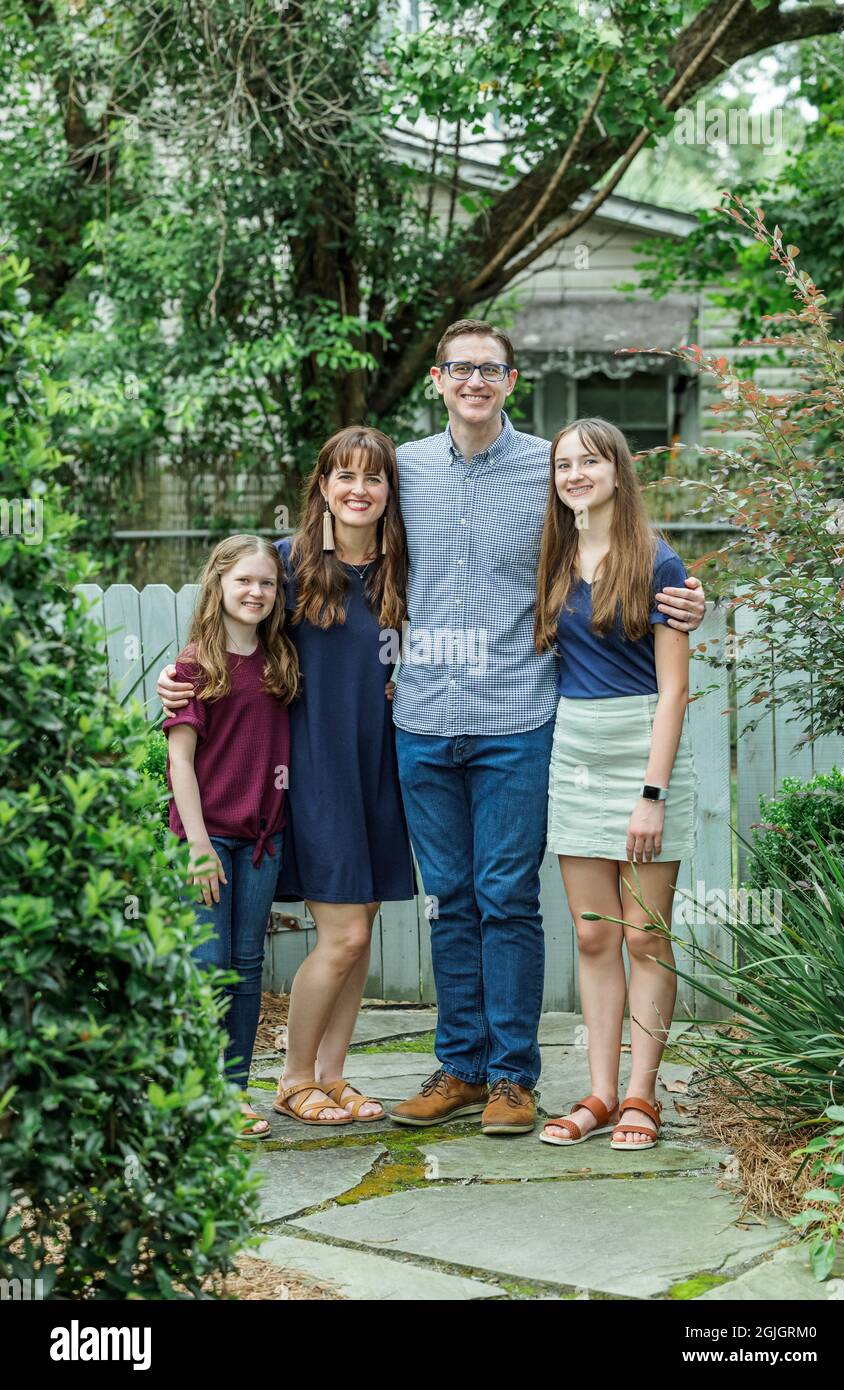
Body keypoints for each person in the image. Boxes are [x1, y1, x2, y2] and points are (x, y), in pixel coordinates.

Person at [389, 320, 707, 1137]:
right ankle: (459, 1066)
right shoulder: (404, 467)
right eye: (458, 368)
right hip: (422, 716)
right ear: (436, 379)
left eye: (488, 369)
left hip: (522, 719)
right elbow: (345, 538)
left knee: (507, 899)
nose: (472, 381)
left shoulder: (547, 467)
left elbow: (632, 551)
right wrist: (243, 597)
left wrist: (686, 599)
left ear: (509, 379)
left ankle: (512, 1079)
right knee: (450, 900)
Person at [159, 427, 416, 1127]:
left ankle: (333, 1075)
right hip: (310, 771)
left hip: (382, 768)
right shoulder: (287, 563)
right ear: (322, 486)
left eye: (374, 478)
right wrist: (175, 677)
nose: (358, 490)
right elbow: (224, 623)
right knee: (344, 936)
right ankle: (292, 1076)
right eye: (344, 476)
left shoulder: (402, 568)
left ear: (390, 491)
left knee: (361, 926)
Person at [536, 418, 696, 1151]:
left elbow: (672, 692)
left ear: (615, 472)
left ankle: (641, 1095)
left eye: (588, 462)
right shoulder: (552, 556)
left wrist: (650, 794)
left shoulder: (658, 562)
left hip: (642, 753)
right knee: (593, 936)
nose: (574, 474)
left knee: (643, 938)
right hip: (574, 750)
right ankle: (599, 1091)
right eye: (563, 464)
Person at [163, 534, 299, 1139]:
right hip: (208, 841)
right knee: (207, 965)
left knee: (246, 967)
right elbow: (180, 762)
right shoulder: (196, 665)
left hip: (262, 839)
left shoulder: (282, 660)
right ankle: (197, 1094)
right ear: (218, 583)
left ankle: (235, 1091)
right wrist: (196, 845)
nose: (256, 592)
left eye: (267, 583)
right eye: (244, 580)